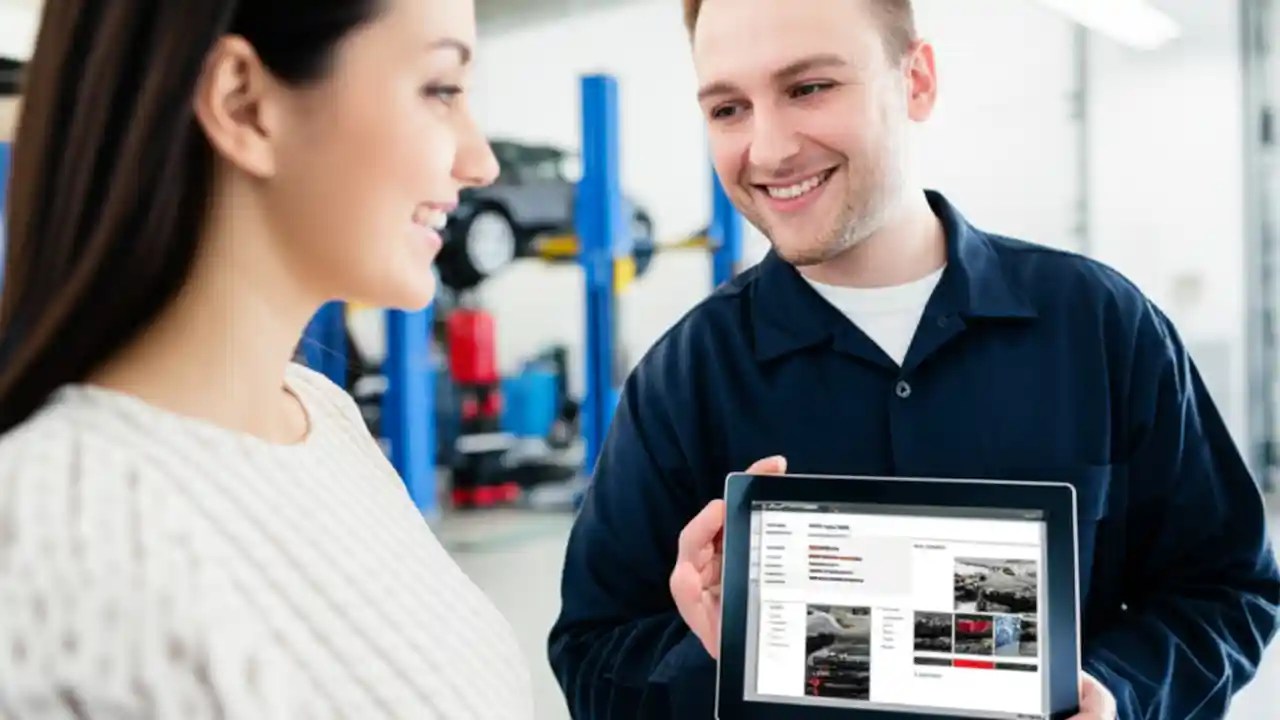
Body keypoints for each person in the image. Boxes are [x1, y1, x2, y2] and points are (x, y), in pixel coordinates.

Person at [547, 0, 1280, 718]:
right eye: (728, 108)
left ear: (917, 81)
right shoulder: (684, 379)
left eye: (809, 88)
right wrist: (713, 653)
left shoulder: (1100, 325)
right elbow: (592, 655)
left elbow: (1226, 590)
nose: (767, 149)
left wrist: (1117, 694)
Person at [0, 1, 533, 718]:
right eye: (440, 89)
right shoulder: (56, 533)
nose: (481, 160)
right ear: (243, 105)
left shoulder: (319, 417)